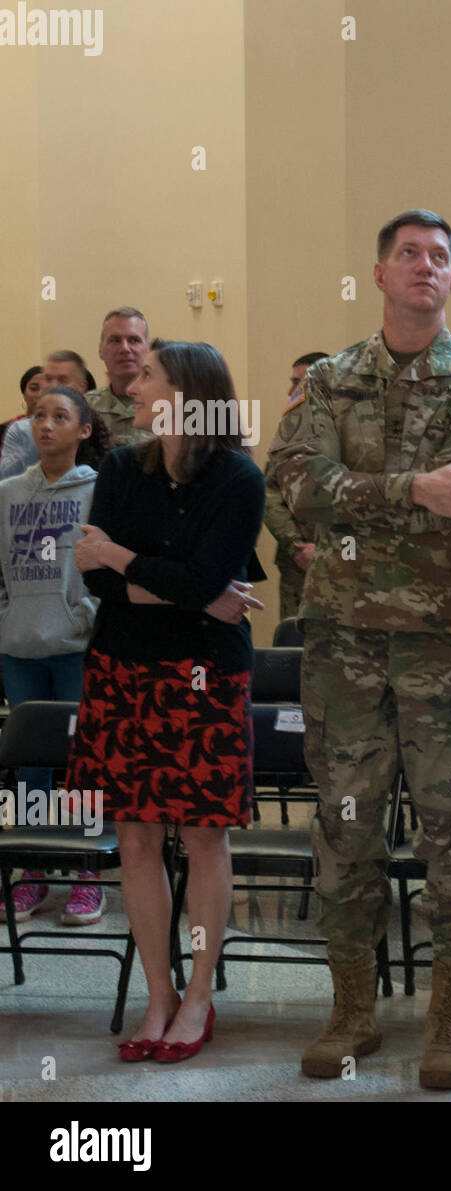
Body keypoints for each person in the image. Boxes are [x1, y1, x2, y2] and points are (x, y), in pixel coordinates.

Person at [268, 209, 451, 1091]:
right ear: (378, 274)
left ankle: (448, 1019)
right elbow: (296, 487)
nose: (425, 267)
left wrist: (359, 492)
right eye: (408, 254)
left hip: (447, 645)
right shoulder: (331, 379)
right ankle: (353, 1014)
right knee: (345, 830)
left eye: (440, 257)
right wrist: (410, 485)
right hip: (342, 644)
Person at [68, 339, 267, 1063]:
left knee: (206, 835)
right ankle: (157, 993)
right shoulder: (122, 466)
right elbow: (106, 585)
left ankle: (200, 994)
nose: (133, 381)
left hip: (207, 676)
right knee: (136, 836)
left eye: (148, 374)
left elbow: (182, 573)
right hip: (124, 667)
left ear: (188, 391)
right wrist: (189, 590)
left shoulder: (240, 478)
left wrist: (123, 559)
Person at [0, 387, 110, 928]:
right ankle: (33, 873)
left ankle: (86, 875)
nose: (45, 426)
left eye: (59, 417)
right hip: (18, 647)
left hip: (73, 647)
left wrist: (83, 614)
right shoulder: (7, 493)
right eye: (38, 416)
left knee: (81, 762)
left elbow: (107, 569)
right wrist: (5, 616)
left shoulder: (99, 489)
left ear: (83, 430)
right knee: (30, 767)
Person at [263, 351, 329, 623]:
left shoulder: (356, 431)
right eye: (291, 381)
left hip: (348, 568)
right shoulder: (288, 432)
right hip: (296, 566)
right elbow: (269, 493)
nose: (291, 390)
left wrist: (326, 551)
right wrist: (296, 545)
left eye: (299, 382)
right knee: (293, 645)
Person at [0, 351, 94, 481]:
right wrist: (38, 438)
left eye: (62, 380)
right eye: (48, 379)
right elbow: (4, 478)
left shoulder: (95, 425)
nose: (53, 386)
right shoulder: (20, 429)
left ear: (82, 386)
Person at [87, 308, 154, 448]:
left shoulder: (169, 406)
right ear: (100, 350)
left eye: (134, 340)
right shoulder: (85, 408)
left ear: (148, 349)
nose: (124, 348)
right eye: (115, 340)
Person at [2, 366, 45, 451]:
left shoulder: (64, 431)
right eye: (34, 389)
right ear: (24, 394)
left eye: (47, 389)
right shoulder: (5, 430)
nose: (40, 394)